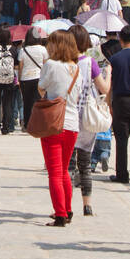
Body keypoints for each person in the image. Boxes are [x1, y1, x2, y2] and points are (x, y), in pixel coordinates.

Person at [37, 31, 84, 226]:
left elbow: (41, 87)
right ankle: (67, 208)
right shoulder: (77, 68)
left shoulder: (51, 65)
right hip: (72, 123)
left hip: (53, 123)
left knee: (54, 171)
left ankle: (60, 214)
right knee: (64, 169)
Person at [69, 26, 111, 216]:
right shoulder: (90, 63)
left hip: (67, 117)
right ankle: (87, 205)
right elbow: (104, 89)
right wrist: (108, 73)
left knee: (68, 166)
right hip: (86, 118)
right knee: (84, 164)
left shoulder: (63, 62)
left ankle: (65, 205)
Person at [107, 26, 130, 184]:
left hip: (120, 101)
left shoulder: (114, 59)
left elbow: (111, 83)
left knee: (121, 139)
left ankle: (121, 174)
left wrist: (109, 103)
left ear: (121, 41)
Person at [17, 28, 49, 132]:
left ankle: (27, 125)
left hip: (26, 78)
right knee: (38, 102)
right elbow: (45, 65)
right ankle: (38, 124)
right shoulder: (43, 49)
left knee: (27, 103)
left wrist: (20, 80)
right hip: (39, 78)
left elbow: (21, 67)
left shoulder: (23, 50)